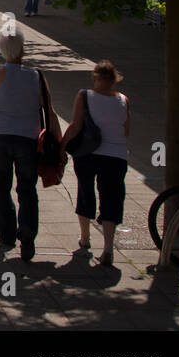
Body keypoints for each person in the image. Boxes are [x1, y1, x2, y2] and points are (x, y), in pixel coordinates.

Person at [0, 25, 60, 262]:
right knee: (27, 189)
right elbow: (49, 112)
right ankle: (27, 231)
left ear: (1, 50)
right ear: (22, 49)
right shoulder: (37, 77)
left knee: (1, 187)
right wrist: (59, 144)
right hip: (28, 140)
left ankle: (6, 234)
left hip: (2, 139)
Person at [61, 61, 129, 266]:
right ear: (114, 79)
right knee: (111, 198)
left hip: (88, 153)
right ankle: (108, 247)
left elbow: (75, 126)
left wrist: (61, 145)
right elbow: (127, 130)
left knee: (86, 191)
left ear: (95, 78)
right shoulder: (124, 99)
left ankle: (85, 238)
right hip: (116, 155)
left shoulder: (84, 96)